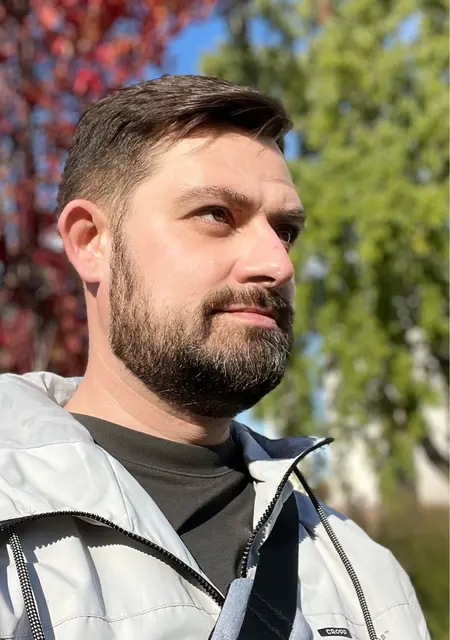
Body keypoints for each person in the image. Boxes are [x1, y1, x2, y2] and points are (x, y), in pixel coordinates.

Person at [0, 75, 429, 640]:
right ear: (89, 241)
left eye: (285, 231)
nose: (278, 265)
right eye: (217, 215)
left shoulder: (365, 578)